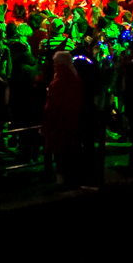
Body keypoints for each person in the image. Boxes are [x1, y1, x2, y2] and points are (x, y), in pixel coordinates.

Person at [42, 50, 85, 187]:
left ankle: (62, 181)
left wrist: (47, 121)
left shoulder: (59, 81)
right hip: (72, 120)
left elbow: (52, 106)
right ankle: (72, 177)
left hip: (60, 122)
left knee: (61, 153)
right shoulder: (74, 78)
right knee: (70, 151)